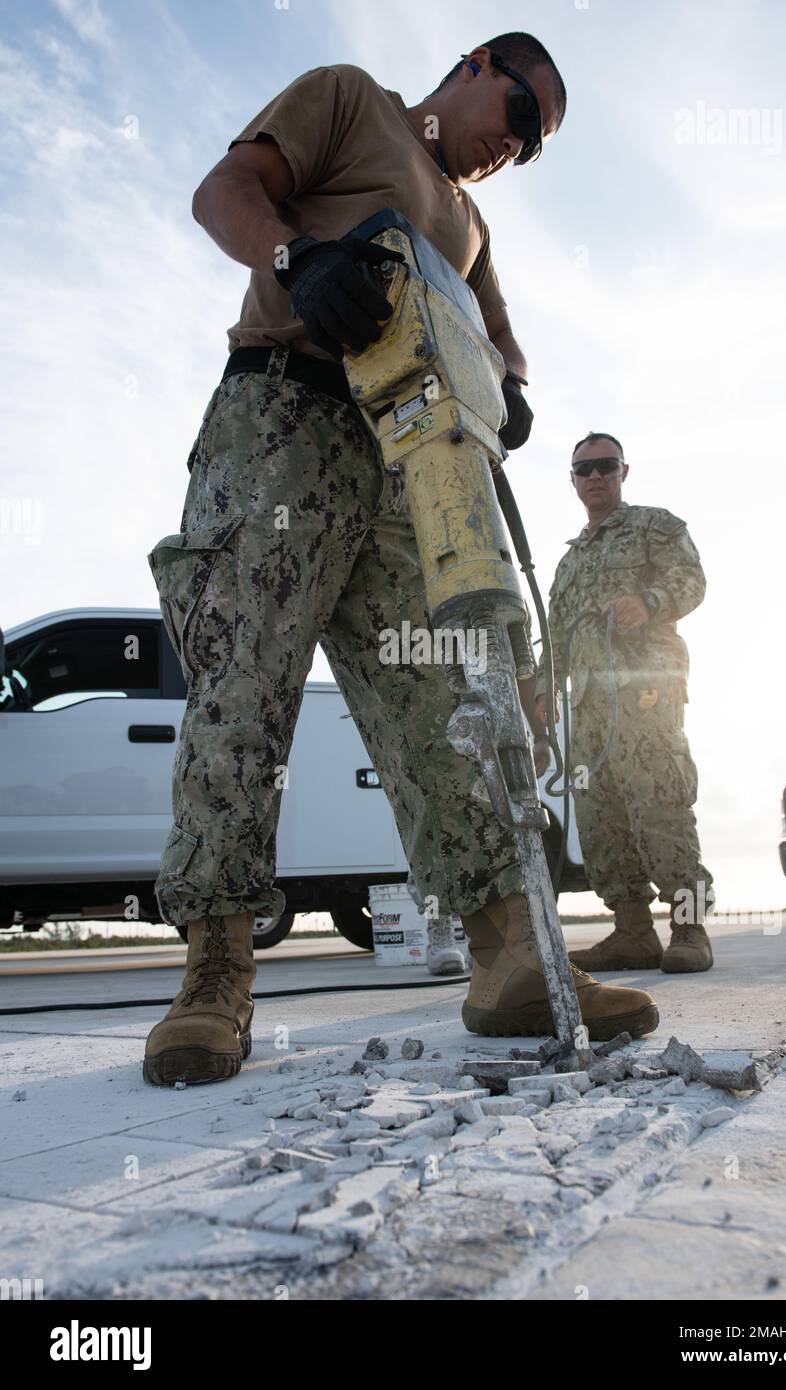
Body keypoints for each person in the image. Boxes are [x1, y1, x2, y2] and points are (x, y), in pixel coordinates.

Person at [143, 37, 658, 1086]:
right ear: (471, 67)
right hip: (283, 416)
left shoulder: (468, 226)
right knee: (242, 684)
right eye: (514, 107)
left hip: (405, 465)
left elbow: (503, 347)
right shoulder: (347, 101)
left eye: (532, 141)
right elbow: (224, 191)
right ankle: (215, 967)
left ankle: (509, 956)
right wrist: (299, 259)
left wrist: (506, 390)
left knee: (442, 706)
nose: (511, 142)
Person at [535, 431, 714, 973]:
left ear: (623, 472)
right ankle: (633, 931)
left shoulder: (653, 526)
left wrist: (649, 601)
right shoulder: (567, 565)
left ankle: (690, 928)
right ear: (572, 480)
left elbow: (693, 580)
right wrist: (544, 690)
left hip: (646, 695)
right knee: (601, 818)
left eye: (605, 466)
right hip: (588, 713)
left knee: (659, 804)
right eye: (584, 469)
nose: (595, 477)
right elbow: (556, 636)